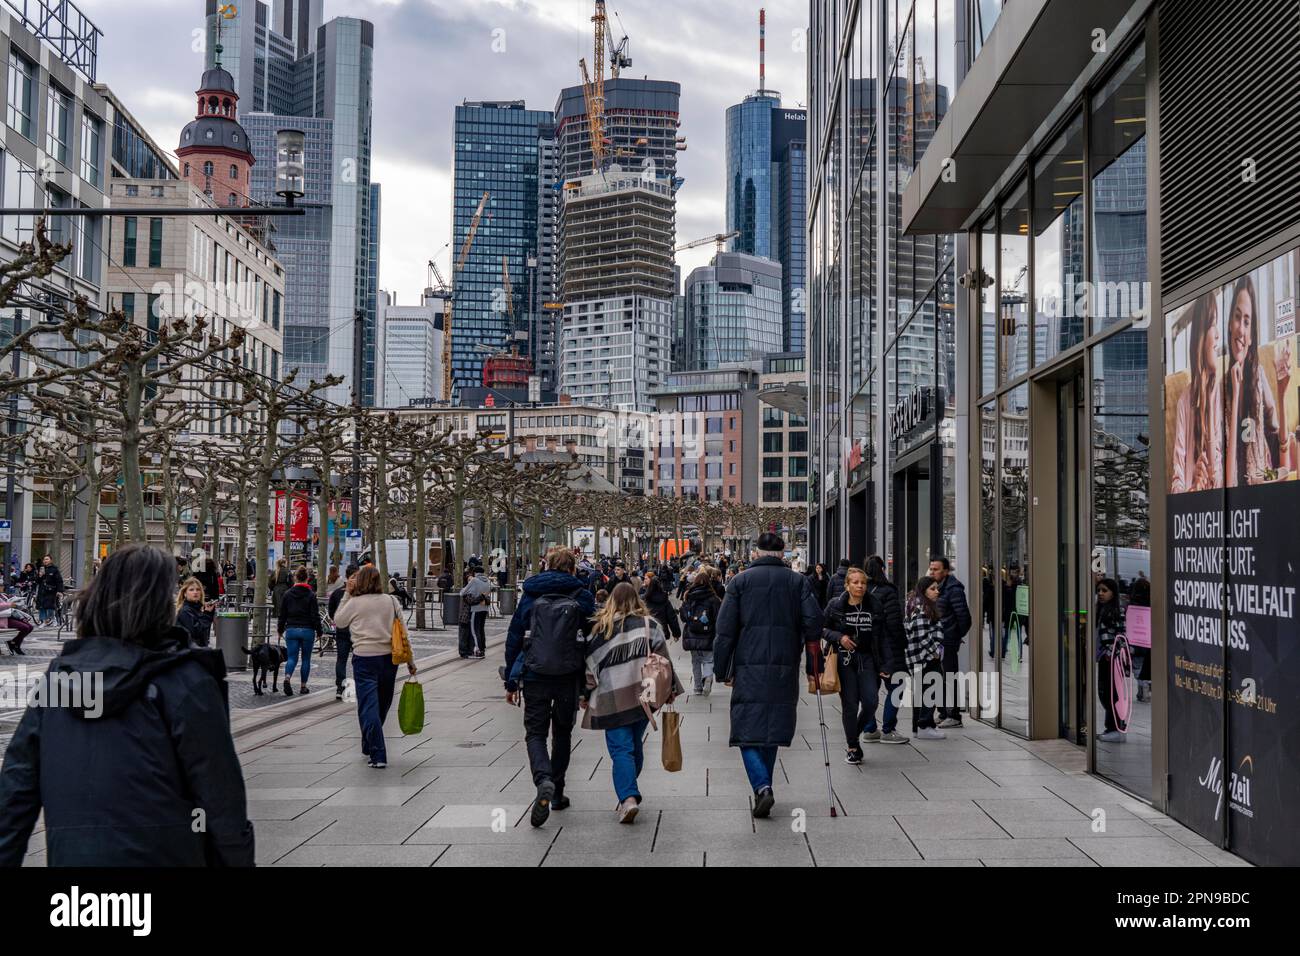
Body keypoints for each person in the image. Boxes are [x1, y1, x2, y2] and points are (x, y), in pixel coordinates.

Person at [0, 544, 255, 866]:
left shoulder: (60, 678)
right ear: (160, 603)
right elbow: (221, 798)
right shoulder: (185, 678)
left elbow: (14, 793)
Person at [714, 532, 823, 819]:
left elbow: (724, 631)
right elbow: (814, 623)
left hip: (748, 665)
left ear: (756, 553)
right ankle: (765, 786)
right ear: (783, 552)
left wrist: (721, 668)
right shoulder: (798, 582)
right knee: (772, 727)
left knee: (746, 730)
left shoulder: (739, 582)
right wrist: (814, 666)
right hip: (785, 665)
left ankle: (762, 787)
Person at [502, 547, 596, 828]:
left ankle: (543, 779)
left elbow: (515, 636)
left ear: (546, 565)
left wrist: (510, 678)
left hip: (534, 673)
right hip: (569, 675)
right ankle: (557, 792)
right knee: (563, 733)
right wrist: (588, 687)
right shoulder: (583, 595)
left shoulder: (531, 594)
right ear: (572, 568)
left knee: (535, 733)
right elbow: (592, 640)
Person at [581, 582, 683, 823]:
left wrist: (585, 694)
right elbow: (664, 661)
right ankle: (629, 791)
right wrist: (672, 689)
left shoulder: (601, 629)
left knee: (621, 750)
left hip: (610, 698)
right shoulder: (651, 626)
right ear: (637, 599)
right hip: (643, 698)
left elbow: (589, 666)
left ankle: (628, 798)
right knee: (634, 745)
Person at [333, 566, 418, 768]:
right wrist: (411, 661)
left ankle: (373, 748)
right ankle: (376, 750)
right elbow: (403, 632)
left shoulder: (354, 602)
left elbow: (339, 621)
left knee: (369, 706)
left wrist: (346, 593)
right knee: (383, 704)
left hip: (364, 659)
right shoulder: (391, 601)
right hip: (389, 660)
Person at [1225, 274, 1295, 486]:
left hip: (1263, 490)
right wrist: (1236, 395)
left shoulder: (1258, 376)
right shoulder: (1219, 388)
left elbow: (1280, 453)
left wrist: (1282, 395)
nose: (1241, 329)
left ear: (1252, 335)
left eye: (1247, 321)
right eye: (1237, 318)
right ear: (1229, 324)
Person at [822, 567, 885, 763]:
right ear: (847, 585)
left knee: (871, 702)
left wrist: (887, 664)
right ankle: (852, 746)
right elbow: (821, 628)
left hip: (867, 659)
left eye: (863, 583)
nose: (860, 586)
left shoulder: (874, 605)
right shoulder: (835, 605)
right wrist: (839, 637)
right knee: (850, 704)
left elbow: (883, 637)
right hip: (844, 660)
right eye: (856, 582)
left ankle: (854, 734)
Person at [1171, 292, 1225, 493]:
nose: (1218, 334)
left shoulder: (1222, 393)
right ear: (1201, 337)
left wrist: (1210, 405)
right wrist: (1192, 489)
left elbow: (1223, 481)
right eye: (1213, 324)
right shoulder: (1185, 401)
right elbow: (1176, 482)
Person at [865, 555, 909, 744]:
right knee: (897, 685)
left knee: (870, 689)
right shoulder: (888, 591)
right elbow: (894, 623)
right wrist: (903, 643)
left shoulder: (861, 591)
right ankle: (888, 729)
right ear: (882, 569)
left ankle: (869, 728)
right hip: (889, 648)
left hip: (867, 647)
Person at [928, 556, 972, 728]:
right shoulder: (937, 587)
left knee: (949, 677)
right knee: (940, 677)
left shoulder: (953, 589)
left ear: (946, 571)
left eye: (936, 569)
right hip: (938, 641)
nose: (932, 572)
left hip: (947, 641)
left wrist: (954, 635)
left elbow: (964, 617)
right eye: (931, 568)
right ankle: (944, 712)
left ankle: (954, 715)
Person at [905, 576, 947, 740]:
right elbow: (922, 635)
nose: (937, 591)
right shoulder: (922, 607)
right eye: (933, 589)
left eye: (937, 588)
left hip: (918, 657)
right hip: (925, 657)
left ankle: (920, 725)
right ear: (924, 591)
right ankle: (924, 725)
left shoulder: (917, 605)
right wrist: (935, 652)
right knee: (932, 689)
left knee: (922, 691)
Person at [277, 567, 322, 696]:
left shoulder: (287, 594)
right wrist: (319, 631)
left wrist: (280, 630)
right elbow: (315, 615)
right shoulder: (311, 595)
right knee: (306, 659)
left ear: (295, 577)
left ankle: (287, 677)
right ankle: (303, 686)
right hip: (307, 630)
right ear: (307, 578)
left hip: (291, 629)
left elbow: (282, 614)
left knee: (292, 658)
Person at [680, 565, 723, 695]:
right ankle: (708, 676)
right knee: (708, 659)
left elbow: (683, 616)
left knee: (696, 662)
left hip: (692, 633)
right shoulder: (714, 599)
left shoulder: (689, 596)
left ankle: (697, 687)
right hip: (708, 634)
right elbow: (719, 618)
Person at [1095, 578, 1126, 743]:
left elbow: (1122, 635)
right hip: (1104, 658)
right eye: (1099, 590)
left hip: (1112, 658)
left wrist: (1111, 652)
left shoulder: (1117, 610)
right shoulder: (1101, 609)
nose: (1100, 593)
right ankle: (1111, 728)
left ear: (1113, 593)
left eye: (1104, 590)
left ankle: (1116, 728)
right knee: (1104, 693)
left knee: (1111, 694)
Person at [328, 567, 354, 701]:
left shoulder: (337, 593)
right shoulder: (359, 594)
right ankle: (346, 686)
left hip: (342, 629)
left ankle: (340, 687)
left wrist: (338, 620)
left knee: (342, 659)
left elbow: (331, 611)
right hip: (355, 631)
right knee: (357, 659)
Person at [176, 576, 217, 648]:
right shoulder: (185, 611)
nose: (195, 592)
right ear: (185, 593)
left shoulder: (197, 608)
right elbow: (195, 632)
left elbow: (204, 633)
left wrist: (209, 612)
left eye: (198, 589)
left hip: (198, 651)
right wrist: (206, 614)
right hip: (189, 653)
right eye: (191, 590)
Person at [461, 567, 492, 658]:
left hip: (475, 609)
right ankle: (482, 649)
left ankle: (478, 651)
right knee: (481, 630)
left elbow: (462, 592)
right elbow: (487, 593)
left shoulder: (474, 581)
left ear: (475, 573)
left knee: (475, 631)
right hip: (484, 609)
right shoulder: (487, 581)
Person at [641, 571, 681, 642]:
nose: (644, 580)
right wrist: (676, 634)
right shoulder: (664, 599)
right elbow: (671, 617)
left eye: (646, 578)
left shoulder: (644, 598)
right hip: (661, 630)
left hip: (646, 631)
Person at [0, 589, 34, 655]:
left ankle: (13, 643)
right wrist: (9, 605)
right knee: (25, 627)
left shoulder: (3, 595)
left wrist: (18, 603)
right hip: (3, 618)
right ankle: (15, 645)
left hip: (10, 615)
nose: (2, 587)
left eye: (2, 585)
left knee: (30, 627)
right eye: (1, 585)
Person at [34, 555, 64, 627]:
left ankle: (53, 619)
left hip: (51, 591)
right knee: (41, 606)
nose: (45, 561)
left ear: (51, 560)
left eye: (47, 559)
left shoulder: (54, 569)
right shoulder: (41, 569)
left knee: (50, 606)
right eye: (44, 559)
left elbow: (59, 581)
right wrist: (40, 576)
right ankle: (43, 621)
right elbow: (37, 581)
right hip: (42, 590)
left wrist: (60, 590)